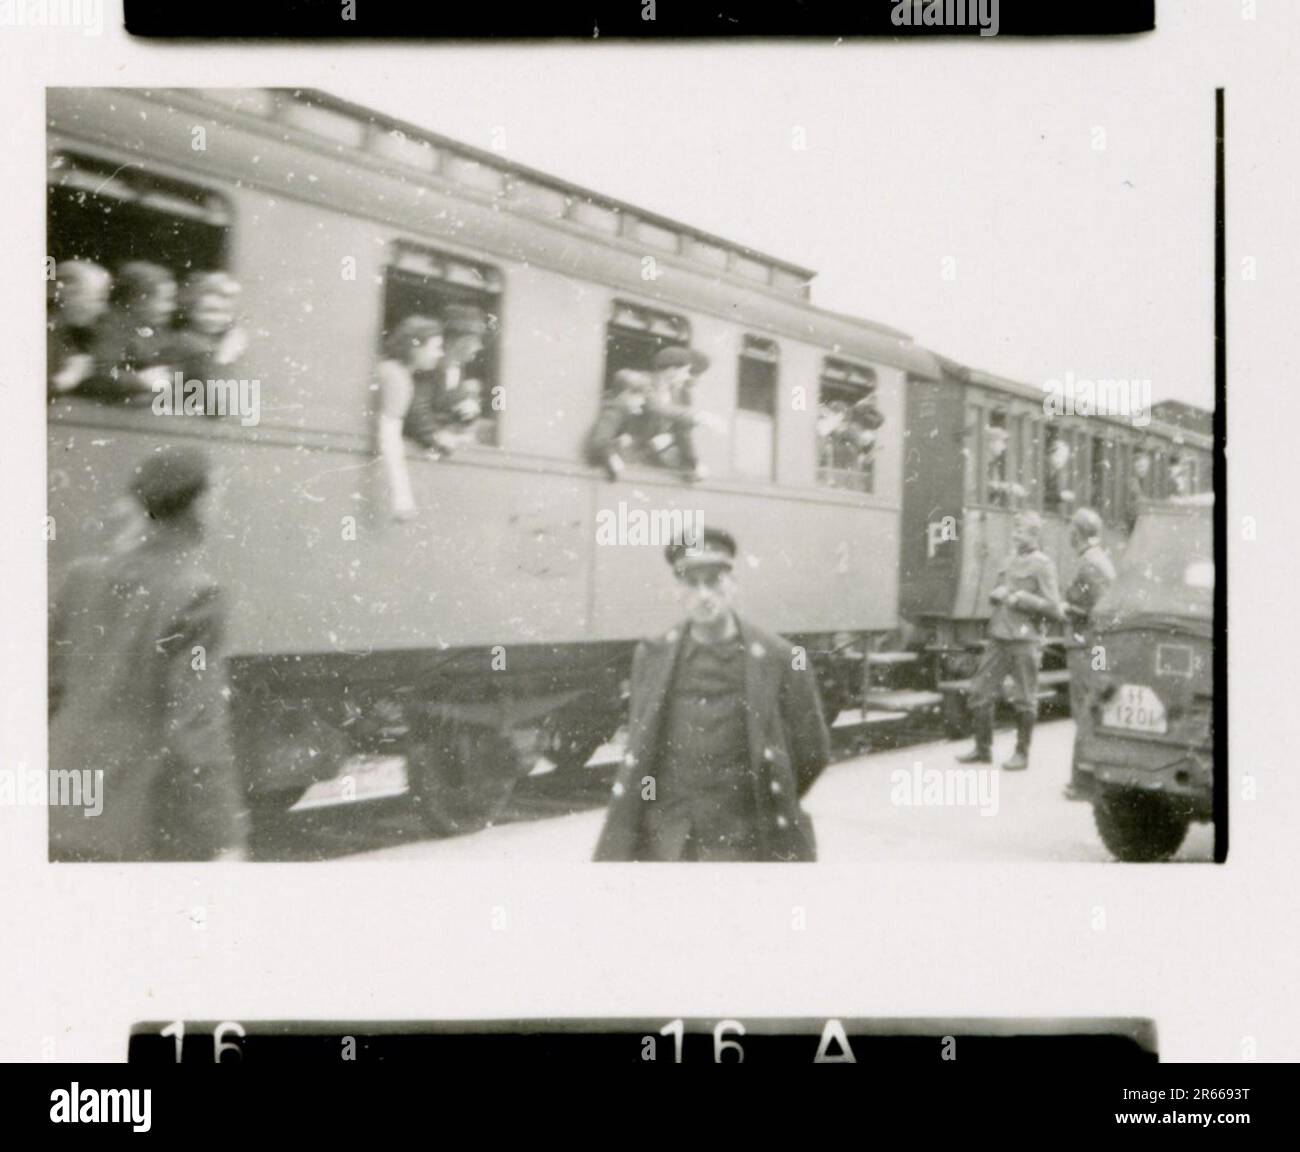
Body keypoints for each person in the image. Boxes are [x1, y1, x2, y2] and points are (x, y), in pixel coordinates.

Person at [48, 446, 247, 861]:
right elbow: (196, 724)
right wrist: (224, 835)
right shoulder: (197, 595)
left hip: (60, 807)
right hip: (140, 821)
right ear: (199, 505)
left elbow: (48, 694)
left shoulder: (79, 579)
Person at [593, 527, 831, 862]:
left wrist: (764, 796)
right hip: (668, 839)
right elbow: (641, 745)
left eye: (714, 581)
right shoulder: (652, 654)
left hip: (746, 840)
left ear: (733, 584)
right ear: (677, 590)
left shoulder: (781, 657)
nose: (704, 595)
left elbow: (812, 753)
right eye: (692, 583)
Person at [955, 511, 1064, 771]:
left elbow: (1054, 607)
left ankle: (1021, 754)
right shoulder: (1009, 559)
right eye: (1014, 530)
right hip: (999, 637)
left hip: (1024, 640)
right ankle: (983, 749)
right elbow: (997, 591)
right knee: (980, 691)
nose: (1015, 535)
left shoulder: (1043, 565)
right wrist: (997, 594)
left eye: (1021, 531)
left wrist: (1020, 598)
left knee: (1025, 698)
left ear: (1034, 535)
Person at [587, 345, 711, 481]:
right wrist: (611, 457)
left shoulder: (675, 395)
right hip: (625, 460)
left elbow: (680, 429)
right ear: (672, 370)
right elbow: (655, 407)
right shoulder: (639, 388)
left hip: (642, 459)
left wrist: (693, 462)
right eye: (685, 371)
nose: (687, 377)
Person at [1061, 508, 1116, 800]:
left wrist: (1068, 609)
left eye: (1071, 528)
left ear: (1077, 532)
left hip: (1087, 646)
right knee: (1090, 706)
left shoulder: (1089, 564)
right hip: (1095, 646)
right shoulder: (1099, 560)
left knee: (1085, 708)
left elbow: (1098, 609)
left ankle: (1082, 781)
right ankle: (1088, 777)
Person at [375, 315, 446, 521]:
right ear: (415, 346)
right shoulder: (397, 377)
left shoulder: (390, 370)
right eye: (435, 347)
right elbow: (389, 438)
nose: (440, 354)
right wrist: (402, 498)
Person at [84, 261, 178, 404]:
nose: (171, 307)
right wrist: (139, 380)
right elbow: (100, 373)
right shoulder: (111, 327)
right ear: (139, 299)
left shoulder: (156, 330)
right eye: (165, 300)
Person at [403, 303, 485, 456]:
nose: (480, 347)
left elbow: (452, 410)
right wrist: (436, 437)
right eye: (476, 340)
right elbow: (417, 410)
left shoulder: (458, 369)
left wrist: (469, 412)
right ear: (460, 341)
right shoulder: (428, 367)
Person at [169, 271, 248, 385]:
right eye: (208, 311)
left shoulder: (226, 338)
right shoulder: (185, 341)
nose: (215, 319)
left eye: (224, 312)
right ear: (190, 311)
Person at [47, 260, 111, 397]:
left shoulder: (65, 335)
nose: (103, 309)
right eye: (97, 299)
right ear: (67, 295)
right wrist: (65, 379)